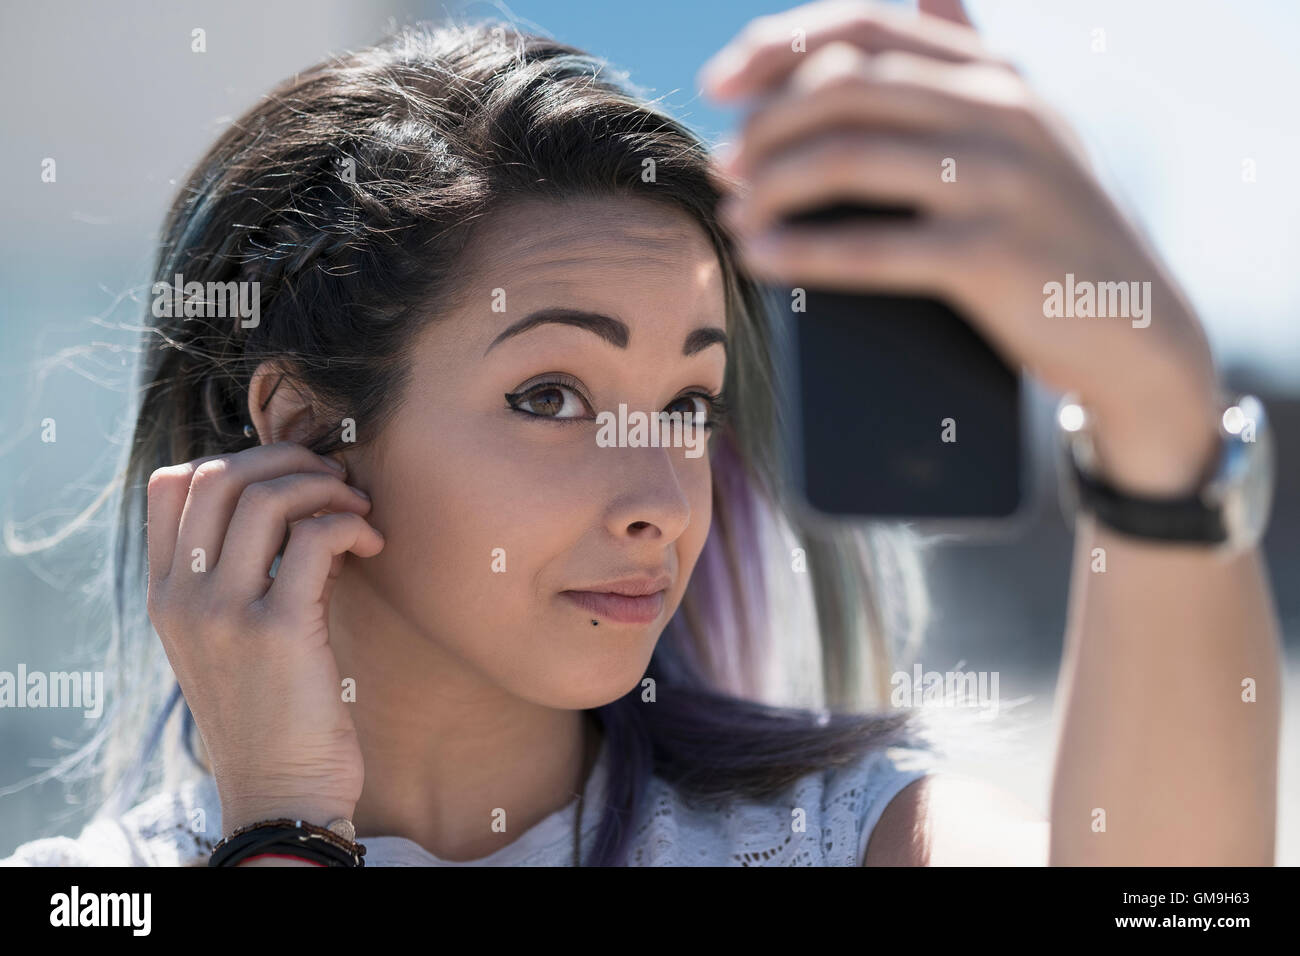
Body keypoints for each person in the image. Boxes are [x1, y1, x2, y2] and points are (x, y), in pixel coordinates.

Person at [2, 0, 1280, 867]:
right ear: (299, 423)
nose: (663, 497)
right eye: (550, 395)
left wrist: (1154, 419)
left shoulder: (855, 831)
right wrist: (282, 823)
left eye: (688, 404)